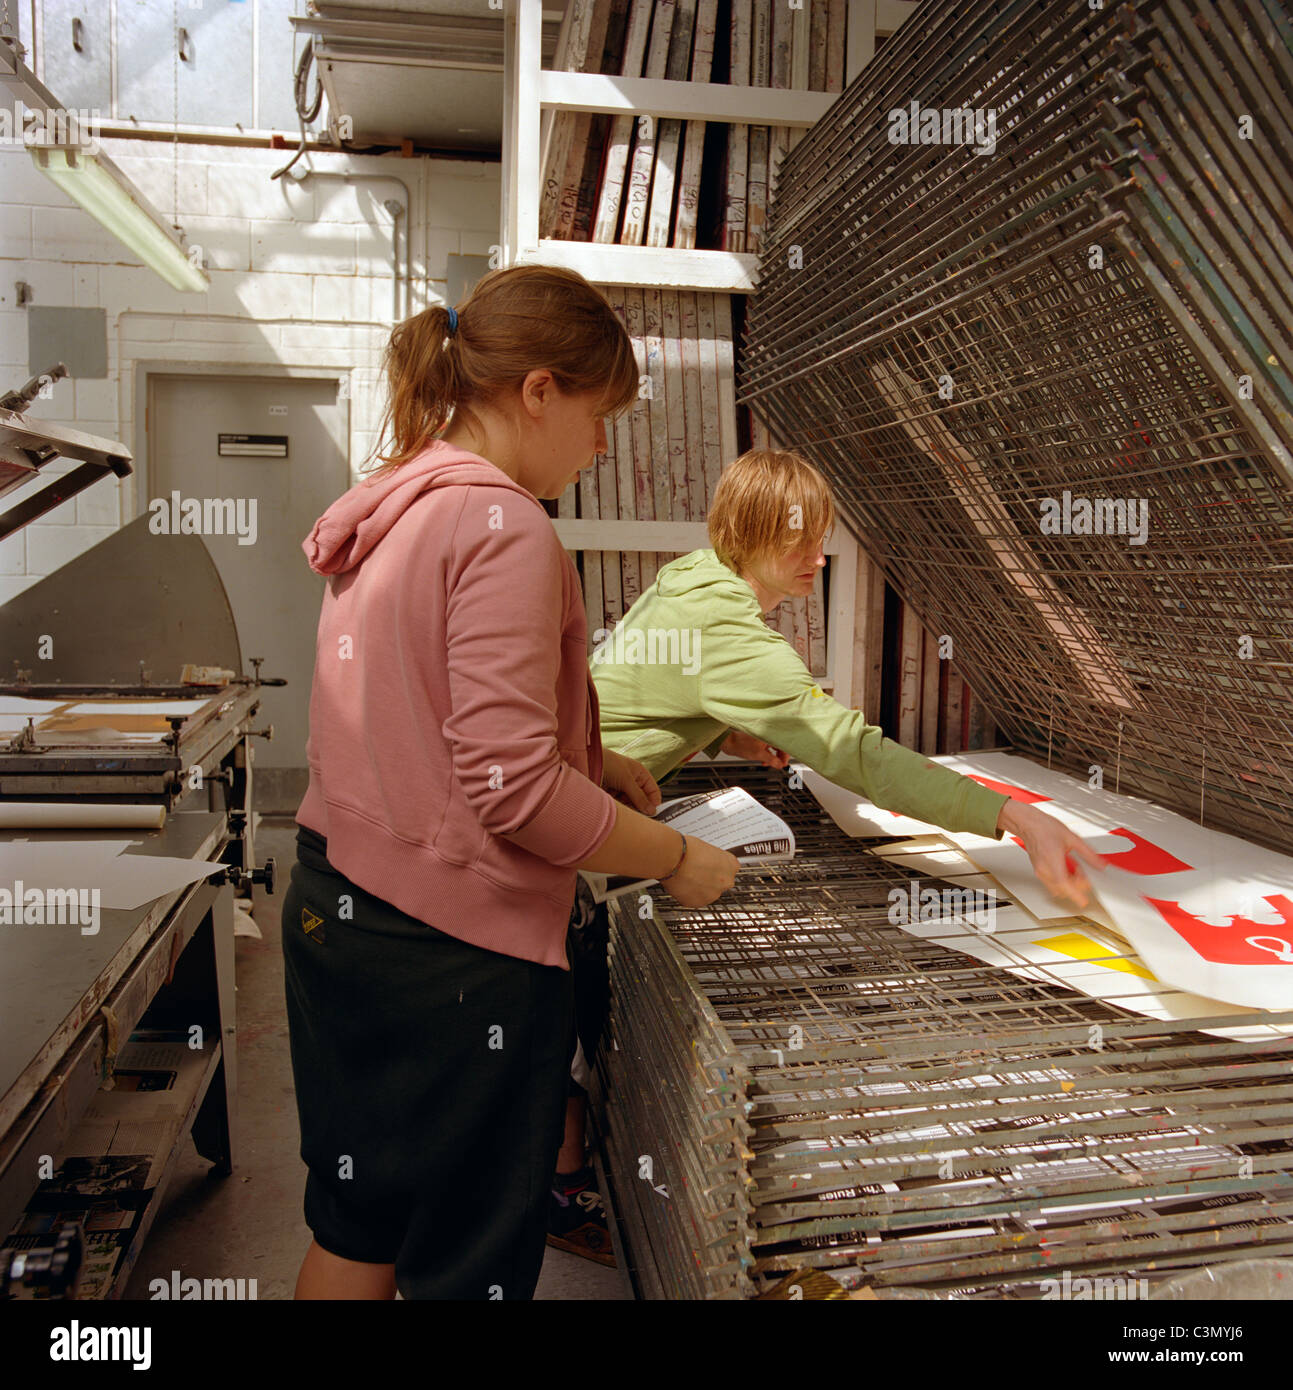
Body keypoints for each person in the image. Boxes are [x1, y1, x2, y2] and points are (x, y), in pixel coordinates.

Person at [280, 265, 739, 1301]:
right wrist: (676, 856)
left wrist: (594, 760)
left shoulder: (393, 506)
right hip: (451, 958)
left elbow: (416, 719)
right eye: (597, 413)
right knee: (466, 1264)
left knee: (361, 1223)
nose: (603, 445)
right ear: (538, 390)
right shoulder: (508, 529)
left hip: (338, 911)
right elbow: (515, 794)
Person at [548, 449, 1105, 1256]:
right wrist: (1011, 814)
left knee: (551, 1019)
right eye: (797, 541)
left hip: (586, 802)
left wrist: (727, 728)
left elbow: (641, 695)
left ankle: (563, 1165)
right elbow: (853, 751)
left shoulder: (692, 577)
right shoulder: (729, 633)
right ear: (746, 534)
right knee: (547, 1021)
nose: (816, 558)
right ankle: (562, 1195)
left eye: (820, 538)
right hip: (577, 839)